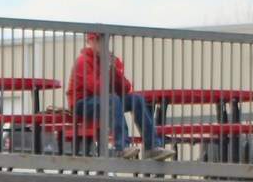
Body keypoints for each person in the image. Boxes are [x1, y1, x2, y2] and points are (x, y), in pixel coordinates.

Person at [66, 32, 173, 160]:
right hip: (81, 102)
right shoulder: (82, 61)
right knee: (112, 99)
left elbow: (125, 88)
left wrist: (113, 70)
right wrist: (107, 68)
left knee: (136, 98)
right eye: (96, 40)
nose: (100, 43)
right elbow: (98, 88)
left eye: (103, 39)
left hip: (104, 99)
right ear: (88, 42)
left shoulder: (111, 60)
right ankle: (121, 147)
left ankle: (152, 147)